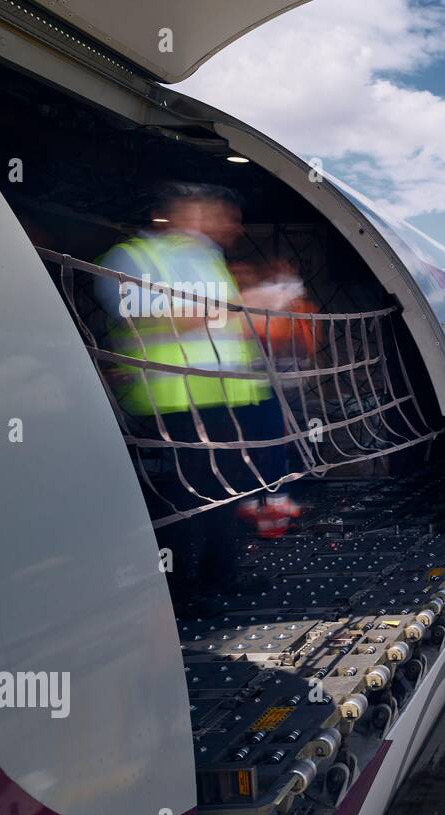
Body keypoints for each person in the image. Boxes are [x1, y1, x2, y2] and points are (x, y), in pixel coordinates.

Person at [96, 183, 297, 604]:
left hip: (225, 397)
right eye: (215, 212)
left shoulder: (206, 257)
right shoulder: (131, 257)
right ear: (181, 211)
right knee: (181, 500)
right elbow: (145, 314)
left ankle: (219, 576)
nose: (228, 224)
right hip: (173, 399)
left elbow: (225, 323)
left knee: (227, 491)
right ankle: (178, 590)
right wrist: (241, 305)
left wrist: (266, 308)